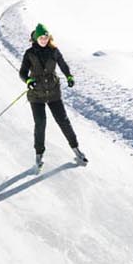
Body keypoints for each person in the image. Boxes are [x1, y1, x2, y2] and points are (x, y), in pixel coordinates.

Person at [19, 23, 88, 172]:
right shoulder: (29, 53)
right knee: (40, 123)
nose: (43, 40)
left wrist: (69, 76)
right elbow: (22, 72)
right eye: (41, 38)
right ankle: (39, 155)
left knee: (63, 121)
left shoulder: (54, 51)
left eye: (46, 37)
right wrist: (29, 80)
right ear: (36, 38)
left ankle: (77, 150)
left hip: (53, 92)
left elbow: (63, 65)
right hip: (36, 94)